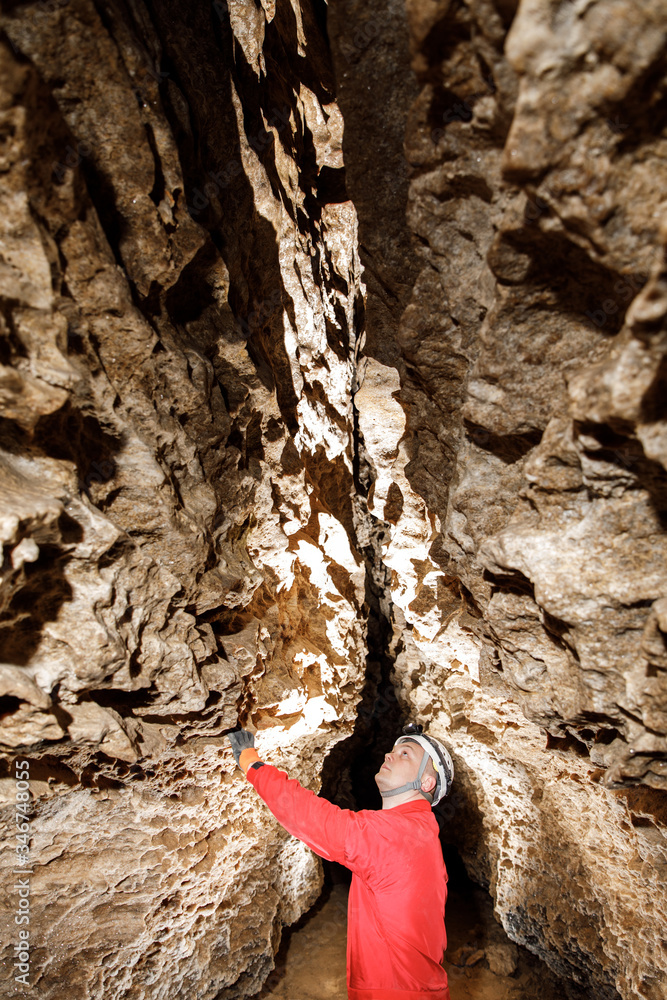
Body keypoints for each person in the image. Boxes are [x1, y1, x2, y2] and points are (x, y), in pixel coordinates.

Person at [227, 722, 454, 1000]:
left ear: (426, 782)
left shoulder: (395, 834)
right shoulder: (421, 832)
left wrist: (251, 761)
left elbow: (313, 818)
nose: (388, 755)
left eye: (405, 754)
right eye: (392, 750)